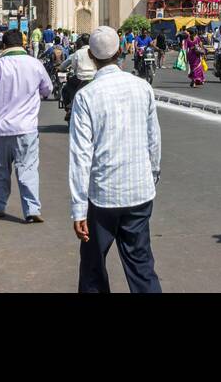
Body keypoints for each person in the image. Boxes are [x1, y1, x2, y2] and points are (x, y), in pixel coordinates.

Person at [69, 26, 162, 294]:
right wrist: (152, 174)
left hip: (102, 198)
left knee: (93, 268)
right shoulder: (142, 87)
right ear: (121, 51)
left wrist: (78, 208)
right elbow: (153, 138)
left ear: (90, 55)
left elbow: (80, 155)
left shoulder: (86, 96)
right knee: (142, 265)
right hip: (139, 193)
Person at [0, 29, 52, 222]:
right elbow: (47, 89)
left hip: (1, 129)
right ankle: (31, 210)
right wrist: (37, 95)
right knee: (28, 169)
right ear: (23, 44)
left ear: (3, 46)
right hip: (27, 129)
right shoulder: (35, 64)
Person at [61, 34, 94, 121]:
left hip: (80, 78)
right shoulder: (94, 51)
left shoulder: (78, 53)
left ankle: (71, 106)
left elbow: (74, 66)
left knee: (67, 88)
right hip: (95, 78)